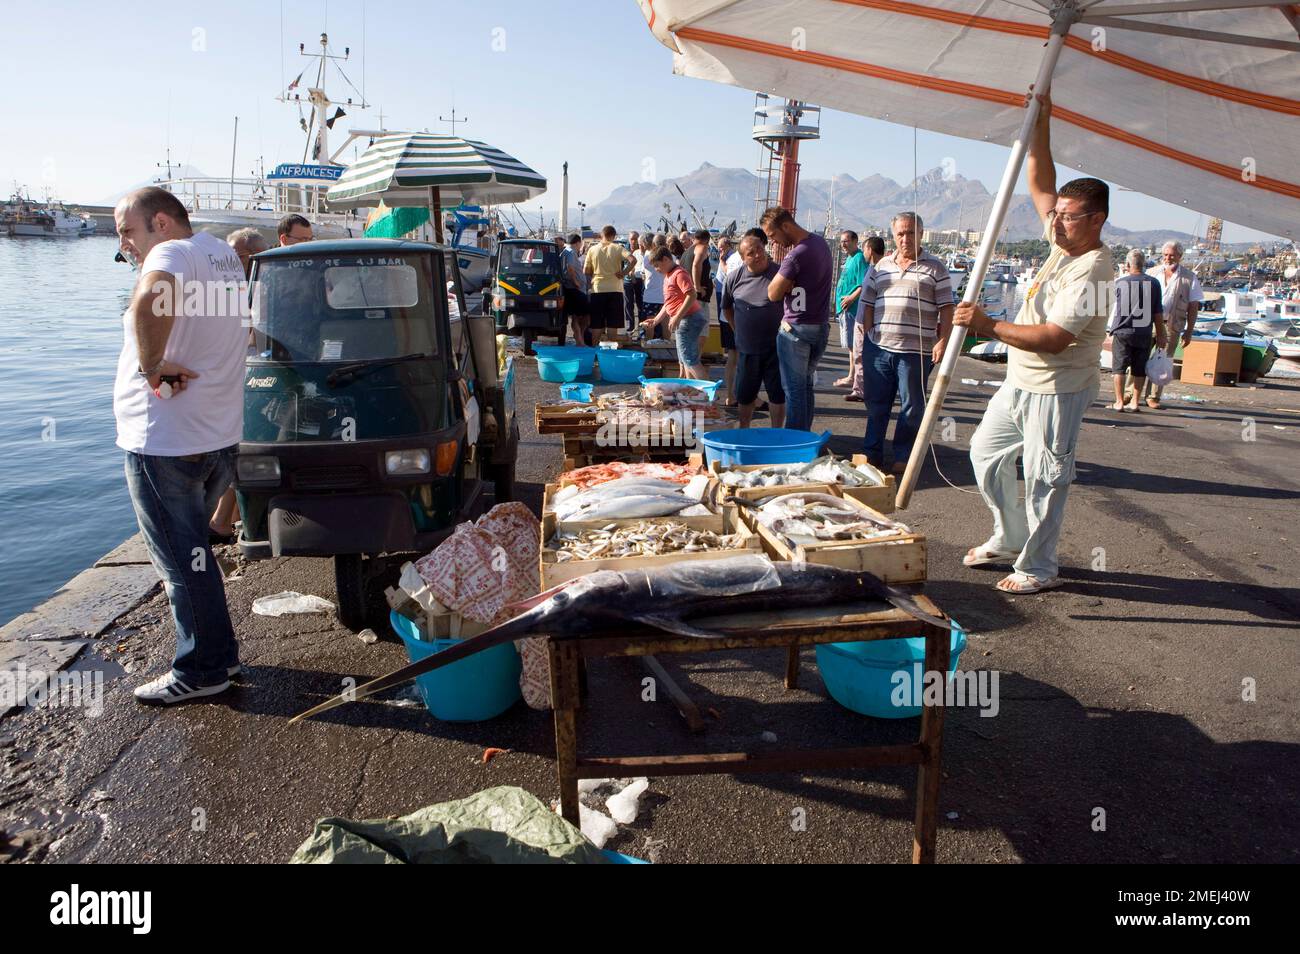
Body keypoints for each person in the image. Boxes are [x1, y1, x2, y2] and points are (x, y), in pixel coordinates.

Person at [954, 91, 1115, 595]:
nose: (1057, 221)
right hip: (1020, 382)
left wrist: (987, 325)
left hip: (1058, 388)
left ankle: (1039, 566)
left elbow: (1054, 337)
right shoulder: (1063, 240)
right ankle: (1009, 536)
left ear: (1097, 221)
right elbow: (1039, 179)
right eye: (1058, 214)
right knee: (984, 451)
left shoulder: (1095, 269)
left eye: (1069, 216)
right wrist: (1041, 120)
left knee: (1047, 478)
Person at [113, 187, 247, 703]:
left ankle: (202, 670)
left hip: (164, 438)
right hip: (214, 434)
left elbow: (150, 300)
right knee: (195, 556)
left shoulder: (169, 255)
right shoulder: (220, 255)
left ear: (162, 222)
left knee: (179, 563)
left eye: (129, 231)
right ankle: (221, 657)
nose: (124, 242)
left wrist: (151, 367)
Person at [856, 213, 955, 474]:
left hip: (916, 351)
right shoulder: (881, 266)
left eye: (910, 232)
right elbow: (867, 301)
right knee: (877, 405)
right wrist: (869, 332)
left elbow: (947, 308)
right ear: (893, 235)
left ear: (921, 234)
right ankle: (872, 453)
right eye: (900, 233)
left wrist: (943, 340)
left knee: (912, 407)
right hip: (879, 348)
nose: (905, 238)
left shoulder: (936, 268)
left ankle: (903, 453)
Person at [205, 228, 270, 545]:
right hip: (230, 377)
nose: (229, 262)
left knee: (239, 446)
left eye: (237, 257)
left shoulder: (264, 289)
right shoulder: (226, 289)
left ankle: (222, 520)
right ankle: (225, 518)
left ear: (253, 257)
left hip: (253, 377)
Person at [761, 206, 832, 431]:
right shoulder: (820, 244)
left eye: (772, 235)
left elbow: (772, 293)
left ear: (785, 226)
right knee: (805, 386)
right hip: (819, 325)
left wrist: (784, 281)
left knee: (793, 390)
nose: (773, 242)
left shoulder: (795, 255)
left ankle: (795, 442)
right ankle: (805, 437)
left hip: (796, 329)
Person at [721, 234, 786, 428]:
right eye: (751, 253)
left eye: (759, 249)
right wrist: (737, 329)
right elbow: (726, 307)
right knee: (745, 394)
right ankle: (744, 430)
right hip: (748, 348)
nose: (758, 254)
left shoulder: (781, 274)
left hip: (777, 347)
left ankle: (776, 433)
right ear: (743, 258)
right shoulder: (734, 278)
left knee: (777, 394)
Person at [1141, 240, 1202, 409]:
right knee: (1140, 357)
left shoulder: (1189, 277)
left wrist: (1189, 332)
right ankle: (1131, 394)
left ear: (1180, 256)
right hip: (1148, 323)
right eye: (1166, 255)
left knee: (1163, 361)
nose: (1168, 258)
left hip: (1172, 325)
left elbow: (1193, 306)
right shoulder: (1152, 273)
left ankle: (1153, 396)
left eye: (1172, 255)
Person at [1108, 249, 1166, 412]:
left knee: (1118, 367)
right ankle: (1134, 402)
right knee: (1139, 368)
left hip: (1122, 330)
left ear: (1127, 265)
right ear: (1144, 264)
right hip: (1144, 332)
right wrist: (1161, 334)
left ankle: (1119, 401)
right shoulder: (1154, 283)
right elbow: (1157, 312)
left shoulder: (1120, 283)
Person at [640, 246, 709, 380]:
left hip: (689, 319)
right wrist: (655, 321)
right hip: (684, 319)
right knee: (683, 358)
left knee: (689, 358)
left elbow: (692, 295)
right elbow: (669, 303)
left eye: (657, 265)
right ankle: (689, 388)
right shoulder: (668, 276)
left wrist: (678, 316)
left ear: (666, 259)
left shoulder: (679, 274)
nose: (656, 269)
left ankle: (706, 392)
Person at [847, 235, 886, 401]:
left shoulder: (880, 269)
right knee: (859, 355)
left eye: (864, 248)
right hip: (861, 318)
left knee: (861, 356)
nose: (863, 252)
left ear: (870, 249)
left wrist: (867, 324)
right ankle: (860, 388)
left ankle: (861, 390)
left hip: (865, 321)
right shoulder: (873, 267)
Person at [584, 225, 635, 345]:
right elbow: (633, 260)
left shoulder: (592, 249)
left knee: (596, 324)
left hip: (597, 289)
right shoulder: (618, 248)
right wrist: (624, 273)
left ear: (602, 235)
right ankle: (611, 351)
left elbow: (585, 271)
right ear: (613, 236)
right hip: (615, 289)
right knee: (613, 325)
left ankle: (594, 350)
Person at [833, 231, 868, 389]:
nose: (843, 244)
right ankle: (852, 375)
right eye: (841, 241)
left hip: (851, 308)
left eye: (846, 241)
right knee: (849, 344)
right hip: (844, 308)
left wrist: (850, 298)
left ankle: (853, 377)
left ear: (855, 241)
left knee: (854, 344)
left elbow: (863, 283)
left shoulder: (859, 258)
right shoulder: (849, 258)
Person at [713, 235, 740, 406]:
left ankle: (733, 394)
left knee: (734, 356)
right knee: (736, 356)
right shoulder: (735, 260)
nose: (720, 249)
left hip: (729, 311)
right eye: (718, 246)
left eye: (722, 246)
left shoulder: (731, 259)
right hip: (735, 314)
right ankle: (733, 394)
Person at [560, 233, 590, 345]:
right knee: (582, 316)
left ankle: (579, 338)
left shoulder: (565, 252)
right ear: (577, 243)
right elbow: (570, 268)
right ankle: (579, 339)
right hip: (575, 289)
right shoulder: (571, 252)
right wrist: (576, 281)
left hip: (573, 289)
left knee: (577, 316)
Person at [623, 230, 644, 332]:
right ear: (629, 239)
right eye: (632, 239)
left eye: (636, 239)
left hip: (639, 281)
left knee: (640, 303)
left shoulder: (641, 250)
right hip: (627, 281)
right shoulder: (624, 250)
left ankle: (641, 326)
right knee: (628, 304)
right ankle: (630, 326)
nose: (634, 241)